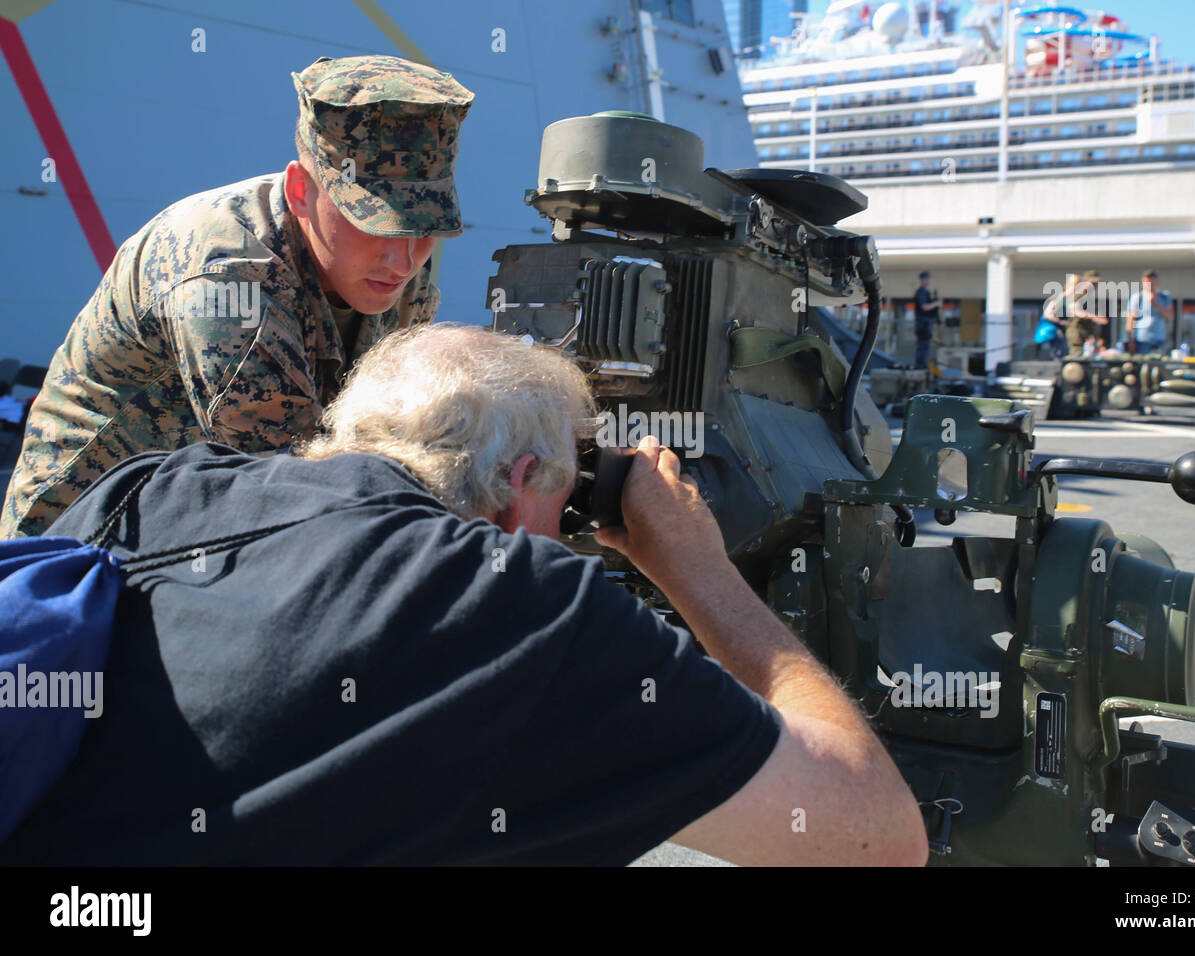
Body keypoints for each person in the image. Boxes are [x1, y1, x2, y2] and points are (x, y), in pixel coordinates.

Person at [0, 324, 928, 867]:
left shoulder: (154, 490)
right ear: (525, 480)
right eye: (565, 504)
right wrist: (694, 566)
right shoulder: (516, 601)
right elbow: (877, 837)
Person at [0, 55, 474, 539]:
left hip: (193, 526)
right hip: (76, 544)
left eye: (423, 228)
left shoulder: (395, 268)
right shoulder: (228, 277)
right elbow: (296, 490)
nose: (402, 260)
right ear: (299, 191)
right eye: (370, 222)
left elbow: (395, 437)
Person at [1124, 270, 1174, 354]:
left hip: (1159, 340)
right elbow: (1130, 320)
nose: (1149, 286)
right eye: (1146, 283)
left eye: (1151, 283)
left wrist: (1155, 303)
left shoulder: (1164, 297)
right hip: (1142, 341)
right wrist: (1130, 341)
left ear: (1157, 282)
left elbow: (1170, 316)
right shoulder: (1137, 297)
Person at [1063, 269, 1108, 356]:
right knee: (1076, 358)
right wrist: (1094, 317)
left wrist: (1098, 338)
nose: (1095, 285)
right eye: (1092, 283)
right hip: (1077, 333)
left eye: (1096, 283)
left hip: (1087, 335)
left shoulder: (1090, 297)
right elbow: (1074, 310)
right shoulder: (1079, 294)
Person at [912, 270, 940, 368]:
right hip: (923, 324)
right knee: (923, 347)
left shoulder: (926, 292)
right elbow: (924, 307)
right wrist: (935, 304)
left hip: (926, 324)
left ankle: (922, 366)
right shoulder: (921, 292)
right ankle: (920, 367)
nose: (927, 281)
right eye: (926, 279)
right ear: (922, 280)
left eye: (928, 279)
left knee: (925, 347)